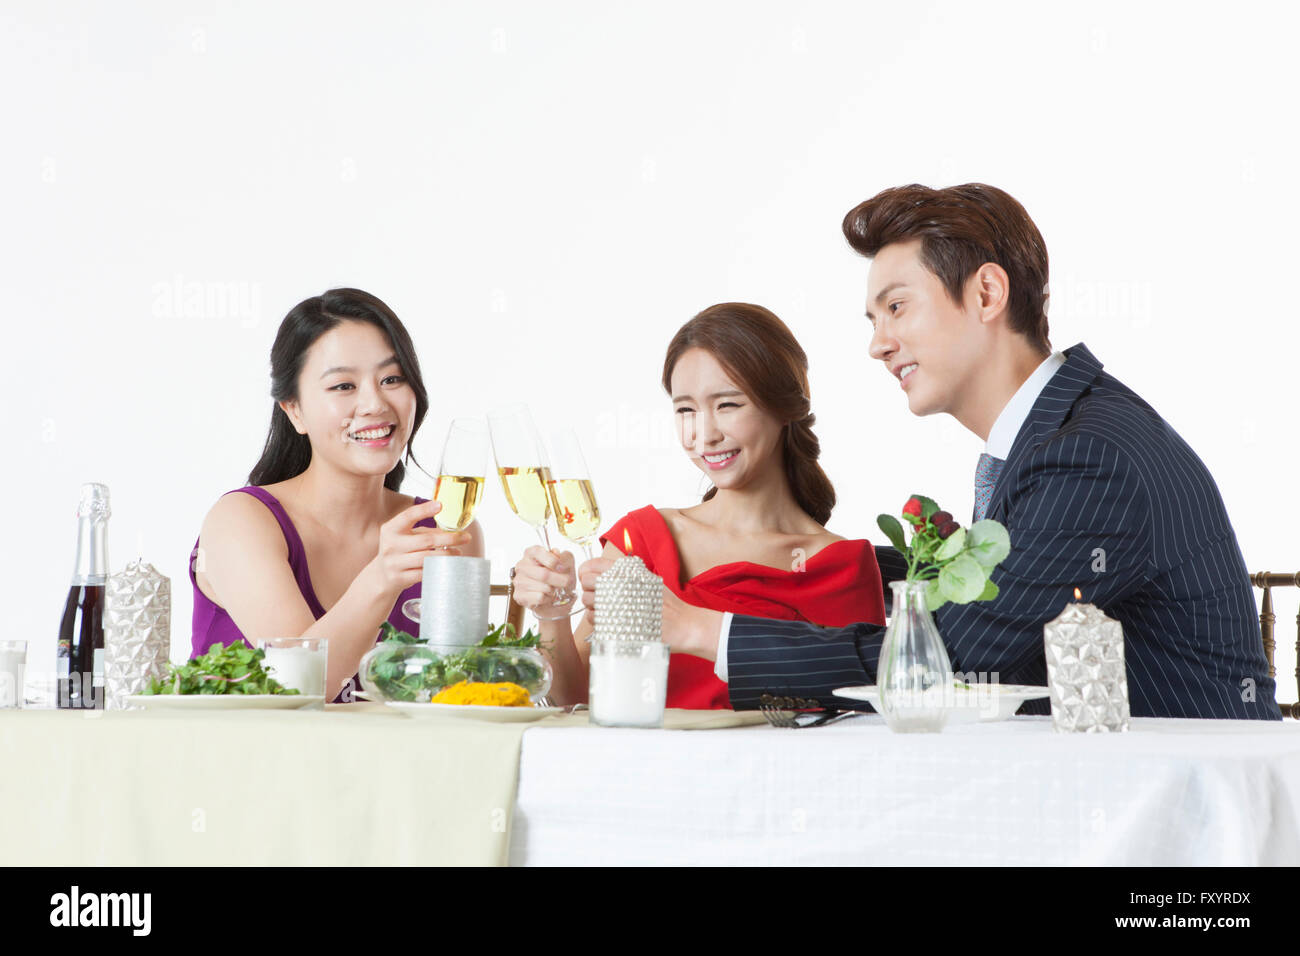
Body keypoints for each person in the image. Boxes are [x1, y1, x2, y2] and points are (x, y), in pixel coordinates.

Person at [579, 184, 1280, 721]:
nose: (878, 342)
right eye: (873, 318)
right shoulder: (1050, 435)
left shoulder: (1086, 457)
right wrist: (837, 568)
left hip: (1186, 813)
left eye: (897, 307)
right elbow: (1008, 589)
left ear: (985, 293)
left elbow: (944, 664)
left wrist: (694, 625)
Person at [510, 302, 886, 708]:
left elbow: (861, 712)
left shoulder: (840, 565)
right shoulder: (643, 540)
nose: (704, 435)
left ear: (783, 408)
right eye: (686, 409)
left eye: (727, 405)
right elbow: (576, 696)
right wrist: (552, 616)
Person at [189, 288, 481, 702]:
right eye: (343, 386)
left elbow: (461, 698)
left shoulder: (444, 528)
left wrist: (549, 615)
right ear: (295, 410)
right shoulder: (242, 520)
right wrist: (382, 579)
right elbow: (296, 687)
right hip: (253, 763)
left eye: (392, 379)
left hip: (402, 766)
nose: (374, 403)